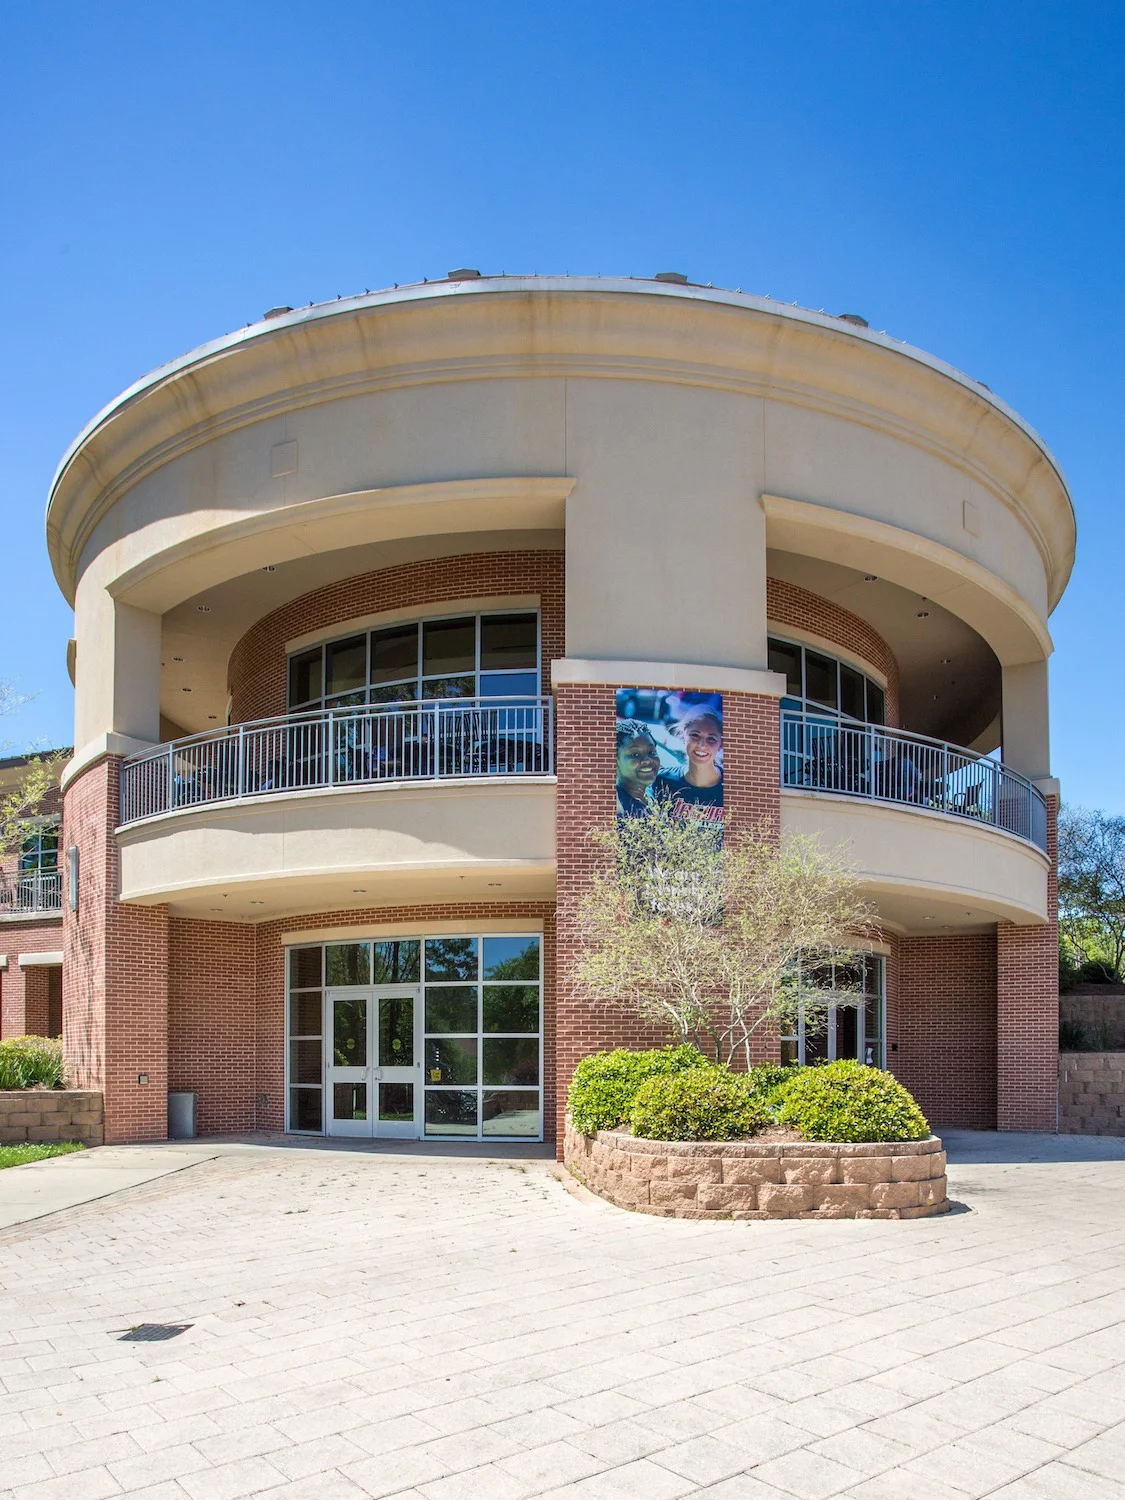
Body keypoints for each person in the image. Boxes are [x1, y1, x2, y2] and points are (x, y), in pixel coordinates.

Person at [654, 707, 724, 822]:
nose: (702, 745)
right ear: (683, 736)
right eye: (695, 735)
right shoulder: (661, 781)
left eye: (711, 738)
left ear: (721, 744)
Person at [615, 720, 661, 819]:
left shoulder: (653, 796)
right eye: (635, 754)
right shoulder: (617, 811)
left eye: (652, 752)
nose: (647, 760)